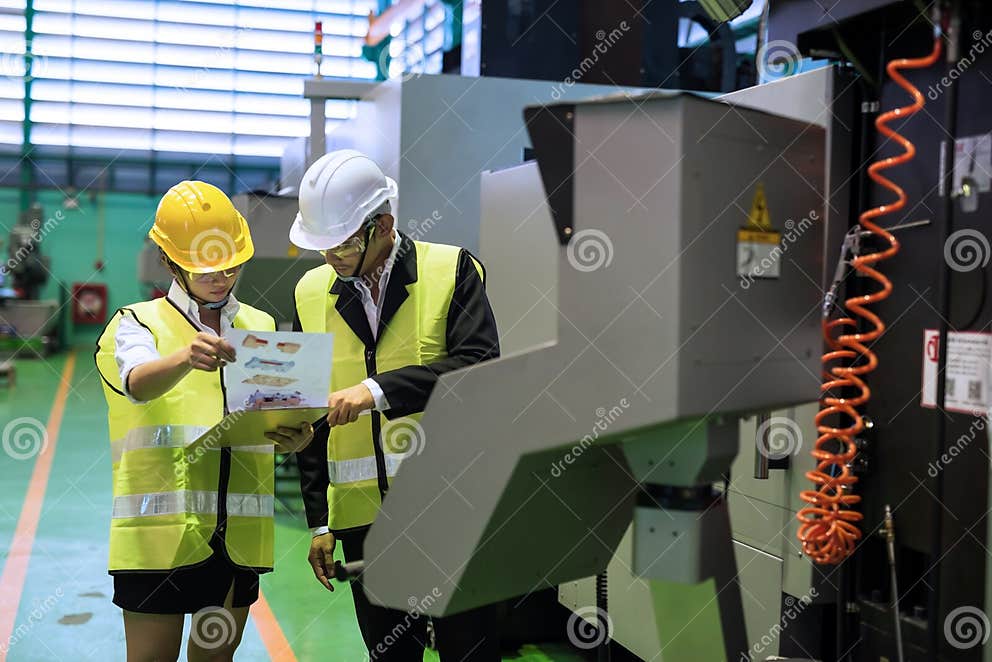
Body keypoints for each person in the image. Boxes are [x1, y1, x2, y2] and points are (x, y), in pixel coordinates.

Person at [290, 150, 501, 661]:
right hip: (368, 525)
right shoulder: (310, 293)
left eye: (340, 243)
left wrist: (377, 391)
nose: (330, 259)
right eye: (322, 247)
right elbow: (308, 414)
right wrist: (321, 521)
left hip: (453, 512)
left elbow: (481, 367)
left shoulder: (452, 271)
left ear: (383, 225)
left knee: (468, 652)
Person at [95, 180, 313, 662]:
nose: (221, 278)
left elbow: (271, 419)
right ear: (171, 263)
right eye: (205, 269)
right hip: (159, 538)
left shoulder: (260, 326)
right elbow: (136, 381)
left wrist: (294, 436)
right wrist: (182, 357)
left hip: (236, 537)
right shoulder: (137, 323)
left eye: (230, 266)